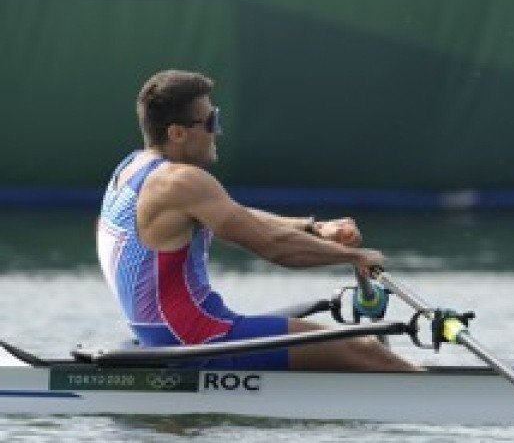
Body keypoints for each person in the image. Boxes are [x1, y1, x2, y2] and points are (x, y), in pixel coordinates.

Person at [95, 69, 418, 371]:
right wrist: (355, 256)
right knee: (366, 351)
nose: (217, 131)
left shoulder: (131, 168)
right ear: (177, 133)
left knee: (337, 348)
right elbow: (275, 248)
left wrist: (314, 228)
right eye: (211, 122)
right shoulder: (181, 181)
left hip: (161, 333)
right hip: (197, 336)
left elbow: (240, 216)